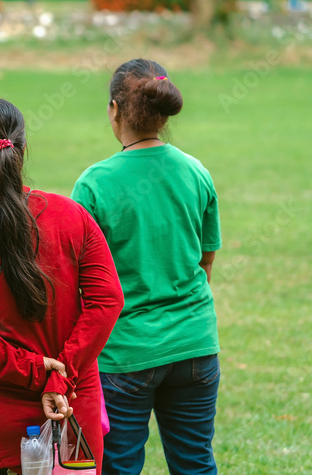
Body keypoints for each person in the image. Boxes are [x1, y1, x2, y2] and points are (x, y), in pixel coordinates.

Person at [0, 97, 125, 474]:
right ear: (21, 150)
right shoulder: (71, 216)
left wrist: (35, 371)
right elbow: (107, 301)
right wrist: (59, 375)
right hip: (68, 412)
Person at [71, 59, 222, 475]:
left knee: (118, 466)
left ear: (115, 110)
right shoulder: (196, 172)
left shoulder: (94, 183)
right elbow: (205, 263)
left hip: (124, 354)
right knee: (195, 464)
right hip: (195, 346)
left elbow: (76, 279)